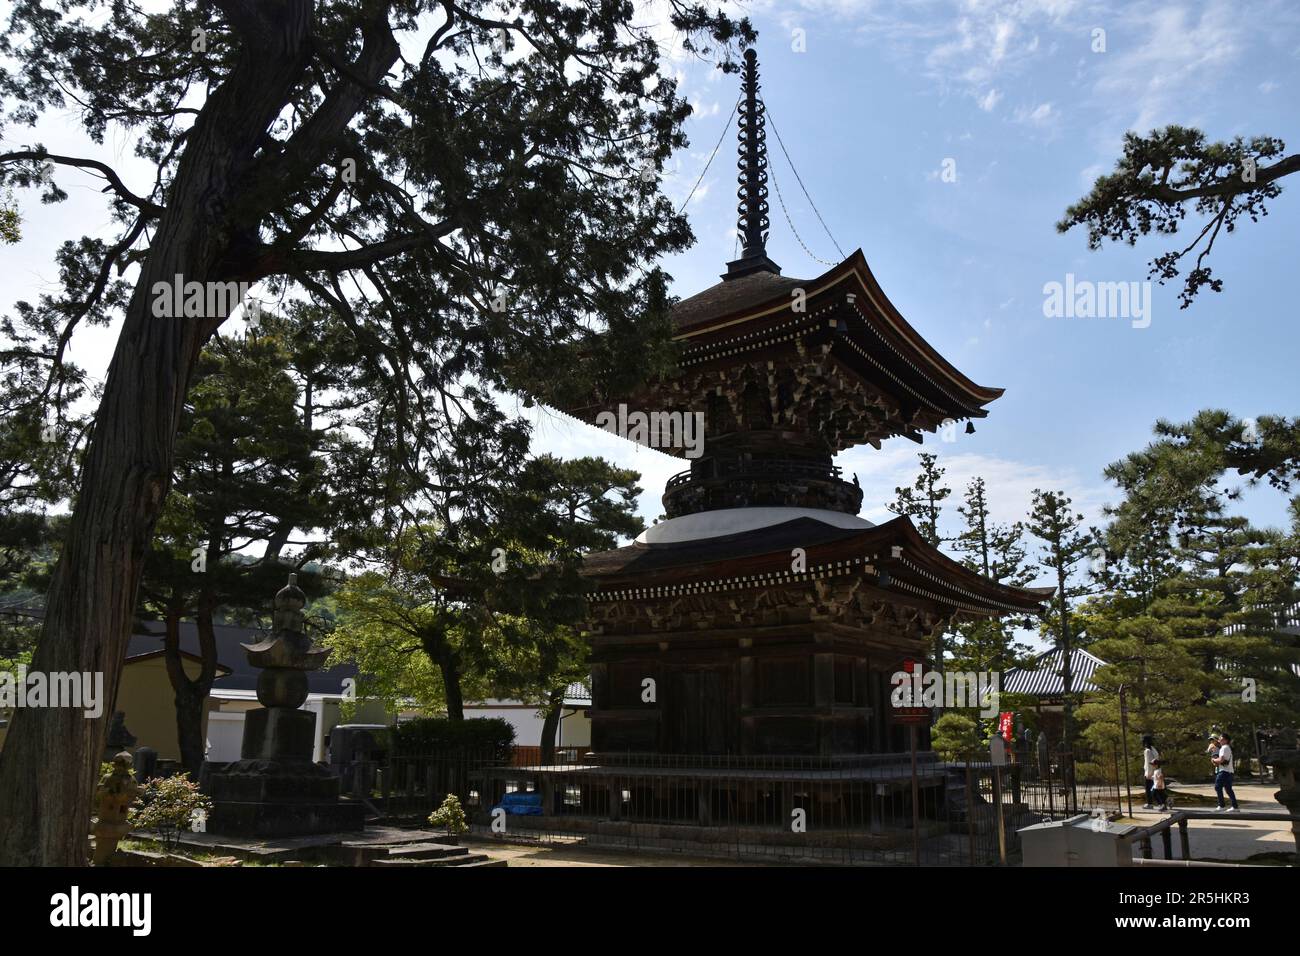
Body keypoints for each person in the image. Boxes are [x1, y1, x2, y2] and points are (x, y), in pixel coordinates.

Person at [1212, 733, 1239, 812]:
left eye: (1221, 738)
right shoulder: (1227, 748)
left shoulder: (1224, 747)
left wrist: (1214, 760)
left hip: (1224, 771)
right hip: (1229, 771)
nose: (1219, 740)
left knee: (1217, 787)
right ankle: (1235, 807)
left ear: (1226, 740)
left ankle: (1221, 805)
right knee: (1228, 789)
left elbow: (1221, 760)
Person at [1141, 734, 1160, 809]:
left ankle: (1150, 803)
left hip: (1150, 773)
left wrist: (1148, 774)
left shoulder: (1147, 751)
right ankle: (1162, 802)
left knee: (1148, 789)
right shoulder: (1154, 749)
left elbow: (1148, 763)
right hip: (1156, 771)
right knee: (1156, 788)